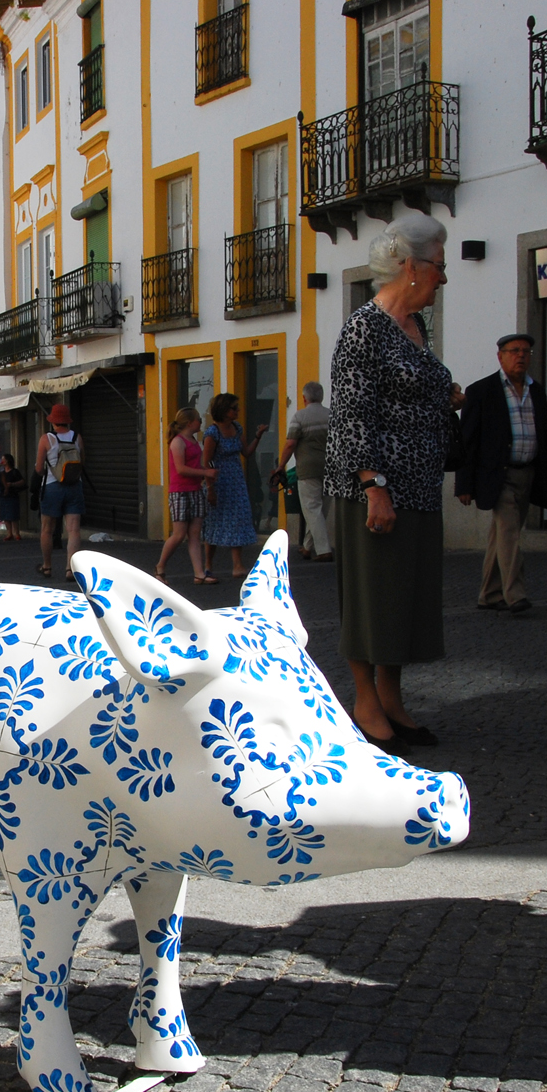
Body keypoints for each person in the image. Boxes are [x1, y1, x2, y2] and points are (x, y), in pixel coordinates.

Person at [325, 210, 457, 754]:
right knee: (371, 596)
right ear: (410, 266)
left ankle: (392, 696)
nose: (443, 278)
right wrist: (374, 485)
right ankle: (364, 701)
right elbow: (353, 413)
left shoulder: (415, 326)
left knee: (406, 598)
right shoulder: (364, 327)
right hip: (374, 488)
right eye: (439, 266)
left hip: (420, 485)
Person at [455, 333, 547, 614]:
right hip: (498, 475)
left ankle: (489, 593)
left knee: (500, 535)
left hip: (528, 473)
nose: (521, 356)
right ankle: (515, 594)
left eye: (526, 351)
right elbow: (467, 441)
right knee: (509, 533)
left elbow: (546, 435)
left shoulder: (537, 390)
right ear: (500, 356)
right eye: (514, 351)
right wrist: (464, 484)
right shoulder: (482, 391)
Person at [201, 393, 267, 578]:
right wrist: (211, 489)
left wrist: (258, 437)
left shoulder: (237, 428)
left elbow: (246, 452)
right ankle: (208, 564)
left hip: (236, 481)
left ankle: (237, 564)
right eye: (234, 408)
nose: (237, 411)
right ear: (224, 410)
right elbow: (207, 463)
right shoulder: (212, 433)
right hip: (219, 481)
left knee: (237, 519)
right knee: (214, 522)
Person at [272, 381, 333, 561]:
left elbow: (290, 444)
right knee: (319, 510)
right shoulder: (332, 415)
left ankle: (324, 550)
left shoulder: (300, 417)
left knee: (312, 509)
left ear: (304, 398)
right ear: (321, 397)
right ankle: (307, 547)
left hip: (307, 469)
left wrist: (281, 465)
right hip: (331, 468)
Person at [156, 407, 218, 585]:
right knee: (179, 534)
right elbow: (180, 468)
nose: (201, 422)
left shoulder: (193, 441)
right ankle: (160, 566)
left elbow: (194, 464)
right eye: (198, 419)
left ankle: (199, 573)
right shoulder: (178, 442)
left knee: (195, 533)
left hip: (195, 489)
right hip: (180, 491)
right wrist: (205, 472)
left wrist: (204, 473)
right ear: (190, 422)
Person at [36, 403, 84, 580]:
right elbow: (82, 462)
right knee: (73, 530)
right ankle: (70, 569)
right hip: (74, 486)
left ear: (53, 421)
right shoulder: (77, 438)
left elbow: (39, 468)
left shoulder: (46, 439)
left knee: (47, 529)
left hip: (52, 486)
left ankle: (47, 566)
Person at [0, 453, 26, 542]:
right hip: (4, 495)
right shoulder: (1, 472)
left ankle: (16, 533)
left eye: (3, 459)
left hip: (13, 495)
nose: (2, 461)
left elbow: (22, 482)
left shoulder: (14, 471)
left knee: (13, 515)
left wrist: (12, 484)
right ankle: (9, 533)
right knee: (5, 515)